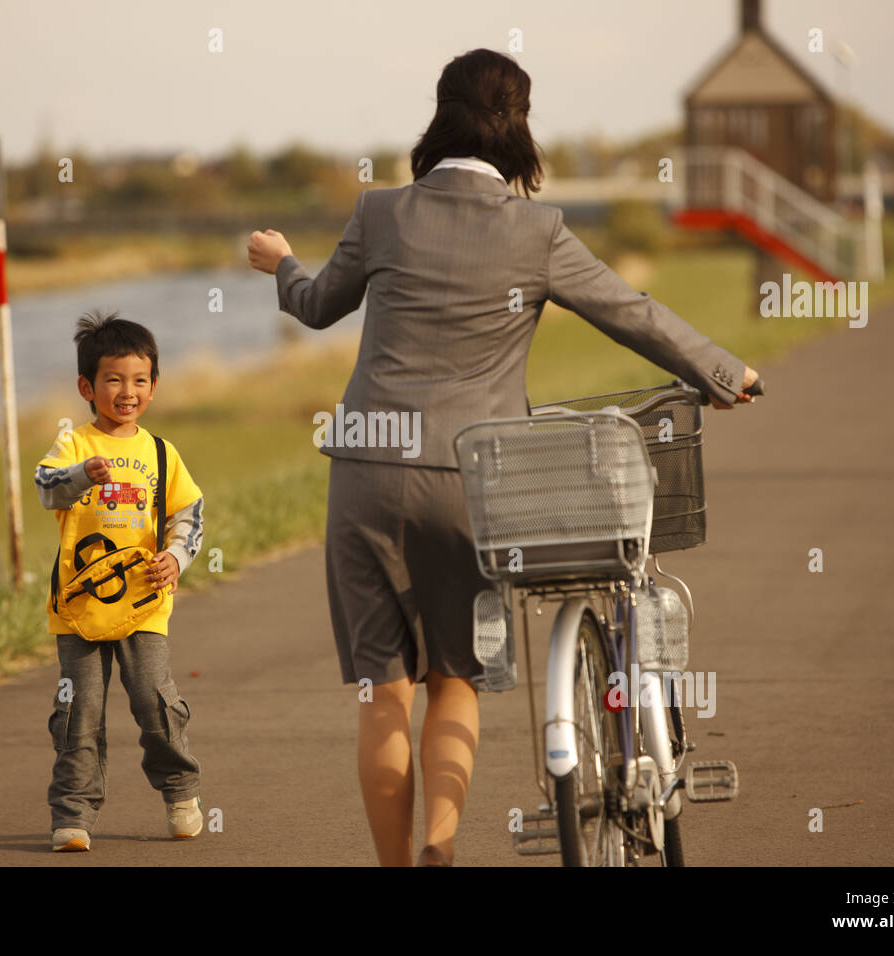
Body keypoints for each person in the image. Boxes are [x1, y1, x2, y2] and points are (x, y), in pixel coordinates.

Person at [247, 49, 758, 866]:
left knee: (382, 692)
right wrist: (726, 372)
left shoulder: (381, 213)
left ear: (437, 115)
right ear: (519, 127)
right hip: (472, 485)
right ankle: (441, 853)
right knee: (454, 680)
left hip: (367, 480)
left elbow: (313, 307)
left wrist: (282, 266)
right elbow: (633, 313)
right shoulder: (537, 230)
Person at [34, 310, 206, 852]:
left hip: (144, 607)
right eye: (112, 379)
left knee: (155, 703)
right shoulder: (74, 447)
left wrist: (176, 557)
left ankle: (181, 794)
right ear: (87, 386)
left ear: (153, 387)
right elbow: (44, 488)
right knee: (77, 716)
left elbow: (190, 513)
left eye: (138, 380)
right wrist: (82, 475)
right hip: (78, 611)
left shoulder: (160, 453)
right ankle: (73, 816)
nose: (125, 391)